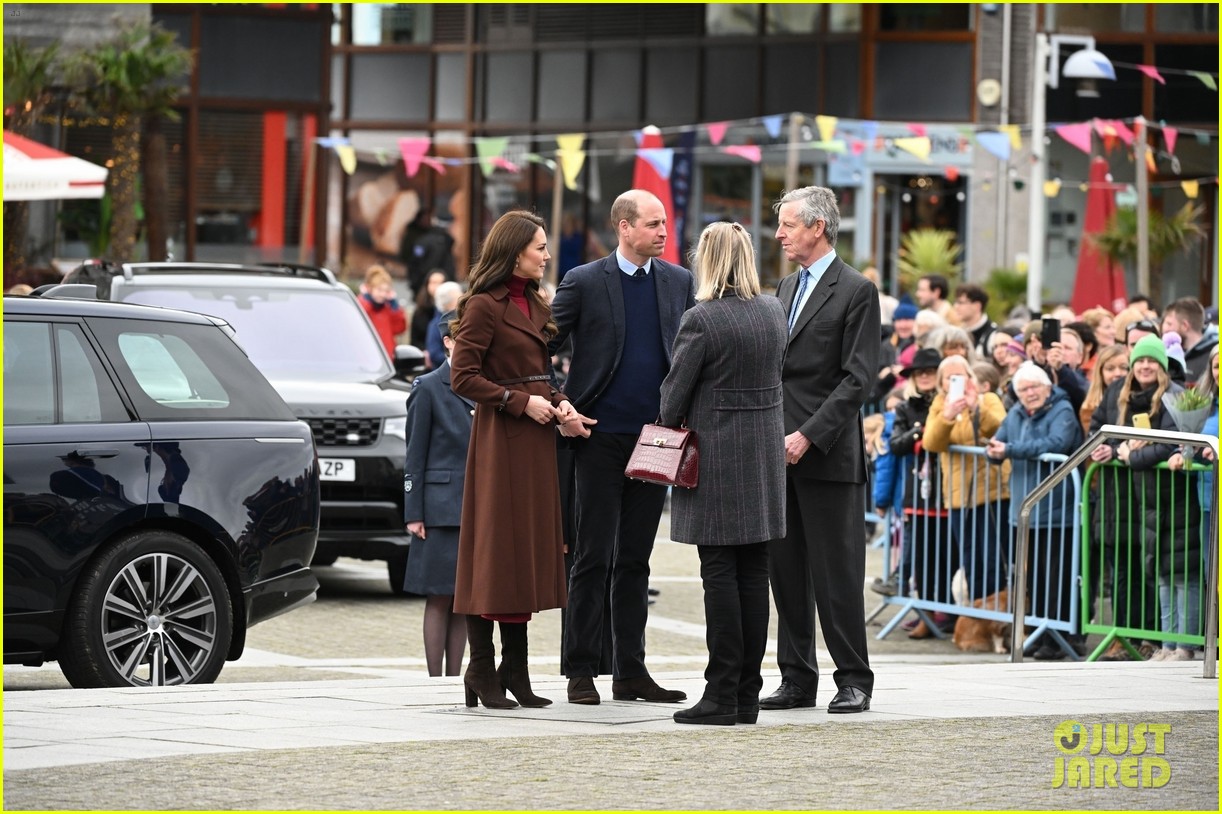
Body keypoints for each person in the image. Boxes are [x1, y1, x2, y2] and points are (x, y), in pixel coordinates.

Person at [551, 189, 696, 706]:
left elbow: (691, 353)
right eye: (653, 224)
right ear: (624, 227)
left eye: (664, 223)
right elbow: (538, 348)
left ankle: (630, 672)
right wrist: (560, 403)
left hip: (656, 439)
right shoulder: (584, 281)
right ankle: (581, 670)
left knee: (636, 561)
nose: (663, 232)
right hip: (597, 438)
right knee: (592, 557)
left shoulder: (679, 281)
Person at [448, 210, 594, 709]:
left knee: (523, 554)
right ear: (514, 253)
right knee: (493, 552)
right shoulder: (482, 306)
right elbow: (462, 377)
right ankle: (481, 668)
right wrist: (518, 402)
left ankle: (515, 670)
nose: (547, 255)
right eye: (539, 247)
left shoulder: (535, 301)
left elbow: (539, 375)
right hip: (500, 442)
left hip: (535, 440)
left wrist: (562, 404)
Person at [656, 222, 788, 726]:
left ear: (707, 260)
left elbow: (672, 399)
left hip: (716, 459)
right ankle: (747, 694)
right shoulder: (773, 311)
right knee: (754, 575)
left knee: (719, 576)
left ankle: (721, 694)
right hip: (763, 457)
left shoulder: (702, 319)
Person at [763, 185, 879, 714]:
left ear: (818, 226)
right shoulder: (786, 286)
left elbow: (858, 379)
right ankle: (796, 678)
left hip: (827, 455)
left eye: (788, 225)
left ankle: (853, 678)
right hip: (777, 452)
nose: (779, 234)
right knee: (786, 574)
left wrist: (807, 434)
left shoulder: (856, 290)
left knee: (837, 575)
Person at [986, 362, 1086, 659]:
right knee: (1034, 581)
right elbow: (999, 442)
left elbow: (1057, 443)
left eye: (1034, 387)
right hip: (1026, 511)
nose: (1029, 393)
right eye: (1023, 389)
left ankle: (1058, 638)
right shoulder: (1016, 413)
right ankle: (1040, 635)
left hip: (1057, 510)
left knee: (1057, 579)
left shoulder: (1062, 410)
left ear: (1047, 387)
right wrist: (993, 452)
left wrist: (1010, 450)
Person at [1088, 335, 1178, 660]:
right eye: (1140, 360)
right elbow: (1097, 429)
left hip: (1154, 496)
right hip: (1117, 497)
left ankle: (1150, 638)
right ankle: (1124, 637)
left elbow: (1170, 443)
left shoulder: (1170, 397)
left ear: (1162, 366)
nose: (1145, 366)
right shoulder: (1116, 391)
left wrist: (1132, 454)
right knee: (1122, 573)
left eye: (1152, 360)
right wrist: (1106, 449)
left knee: (1150, 570)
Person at [402, 312, 471, 677]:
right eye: (464, 339)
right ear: (447, 342)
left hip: (474, 507)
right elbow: (414, 454)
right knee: (440, 595)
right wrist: (413, 512)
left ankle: (455, 677)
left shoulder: (481, 384)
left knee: (464, 599)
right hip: (439, 508)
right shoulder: (428, 386)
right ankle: (434, 678)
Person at [923, 356, 1010, 606]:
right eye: (949, 378)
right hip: (959, 494)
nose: (955, 381)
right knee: (971, 557)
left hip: (992, 491)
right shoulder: (939, 405)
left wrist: (976, 408)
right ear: (941, 383)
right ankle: (978, 610)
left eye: (959, 375)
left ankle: (998, 612)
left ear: (970, 377)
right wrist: (947, 416)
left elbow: (1002, 428)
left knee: (995, 556)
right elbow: (931, 442)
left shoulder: (988, 398)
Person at [888, 347, 951, 638]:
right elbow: (896, 444)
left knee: (947, 556)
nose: (924, 376)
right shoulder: (906, 407)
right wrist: (922, 432)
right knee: (922, 558)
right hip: (918, 494)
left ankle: (946, 612)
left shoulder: (948, 401)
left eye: (930, 372)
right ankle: (926, 614)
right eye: (919, 373)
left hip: (947, 491)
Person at [1161, 297, 1217, 384]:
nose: (1164, 329)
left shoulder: (1214, 356)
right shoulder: (1168, 353)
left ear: (1185, 325)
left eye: (1169, 324)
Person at [1079, 344, 1129, 435]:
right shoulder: (1089, 408)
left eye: (1123, 368)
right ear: (1100, 373)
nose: (1117, 373)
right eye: (1110, 369)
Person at [359, 264, 408, 356]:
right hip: (366, 355)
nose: (383, 294)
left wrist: (395, 308)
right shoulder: (362, 304)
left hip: (387, 357)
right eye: (379, 290)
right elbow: (359, 321)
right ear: (370, 289)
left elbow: (400, 328)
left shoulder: (388, 308)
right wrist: (367, 301)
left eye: (386, 291)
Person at [426, 281, 463, 370]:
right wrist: (459, 359)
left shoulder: (464, 318)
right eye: (459, 298)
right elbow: (434, 354)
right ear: (448, 303)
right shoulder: (436, 325)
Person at [953, 284, 997, 358]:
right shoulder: (957, 333)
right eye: (955, 302)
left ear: (977, 306)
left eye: (960, 303)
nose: (955, 307)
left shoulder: (993, 334)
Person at [410, 270, 448, 350]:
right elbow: (415, 340)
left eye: (441, 283)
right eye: (433, 282)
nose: (437, 286)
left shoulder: (451, 310)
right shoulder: (420, 311)